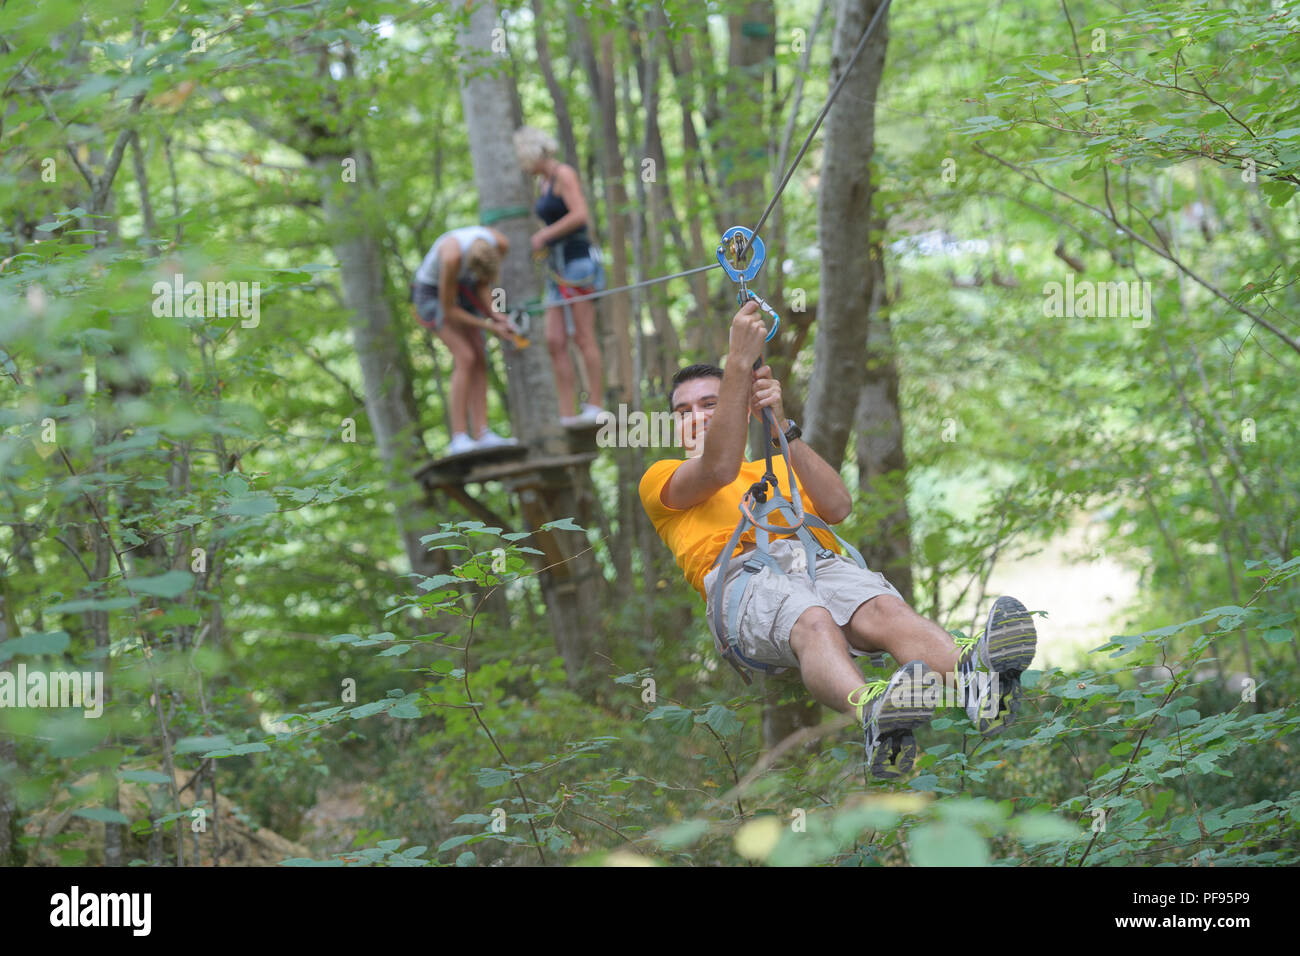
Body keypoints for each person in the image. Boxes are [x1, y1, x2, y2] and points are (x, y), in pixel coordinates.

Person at [638, 300, 1038, 779]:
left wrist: (778, 425)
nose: (697, 417)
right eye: (685, 411)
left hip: (813, 559)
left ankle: (976, 685)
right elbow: (718, 466)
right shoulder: (662, 478)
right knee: (813, 620)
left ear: (738, 407)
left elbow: (838, 506)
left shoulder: (774, 466)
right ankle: (873, 713)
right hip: (742, 575)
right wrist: (739, 362)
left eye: (710, 403)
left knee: (885, 611)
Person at [513, 126, 607, 427]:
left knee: (582, 336)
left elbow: (580, 214)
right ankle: (567, 413)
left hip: (578, 263)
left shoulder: (564, 174)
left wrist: (544, 235)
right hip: (557, 268)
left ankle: (596, 404)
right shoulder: (543, 184)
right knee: (554, 340)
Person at [411, 225, 520, 456]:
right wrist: (489, 326)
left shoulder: (499, 243)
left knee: (480, 357)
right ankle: (458, 438)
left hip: (464, 288)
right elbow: (449, 310)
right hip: (433, 293)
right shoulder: (451, 257)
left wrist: (497, 316)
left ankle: (482, 433)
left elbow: (482, 284)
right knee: (465, 356)